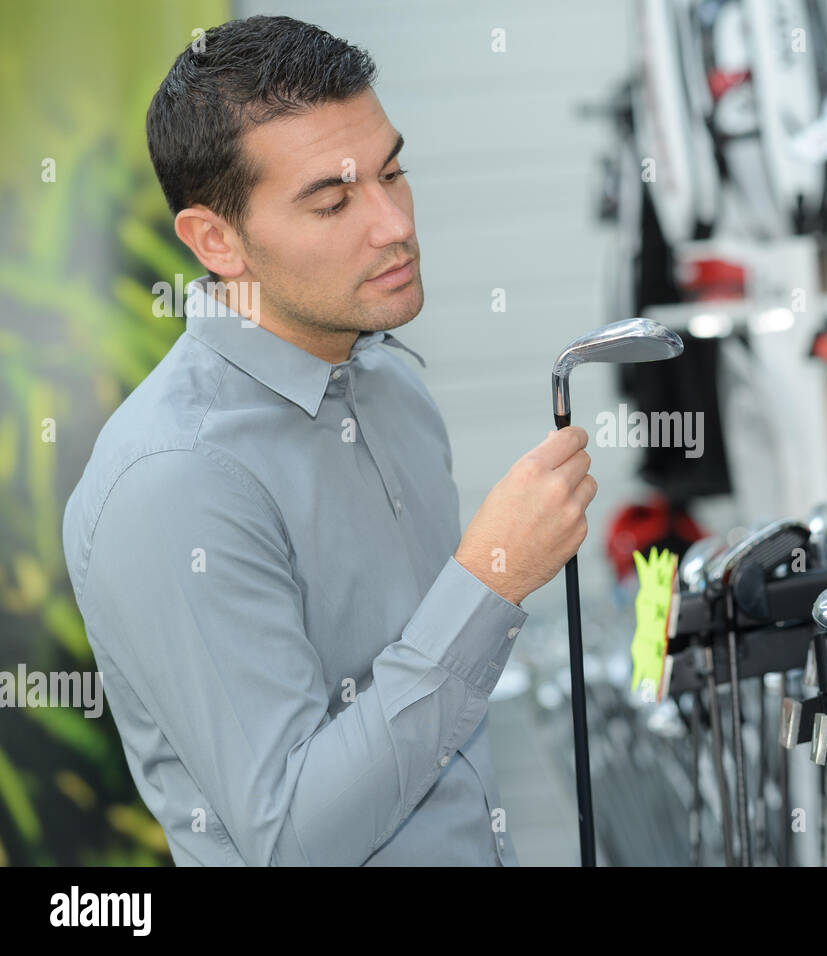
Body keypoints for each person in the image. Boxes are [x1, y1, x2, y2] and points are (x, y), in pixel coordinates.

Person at [61, 15, 595, 865]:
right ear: (214, 241)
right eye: (334, 200)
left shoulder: (393, 385)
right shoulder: (173, 483)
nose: (393, 225)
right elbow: (295, 837)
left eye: (393, 172)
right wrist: (492, 577)